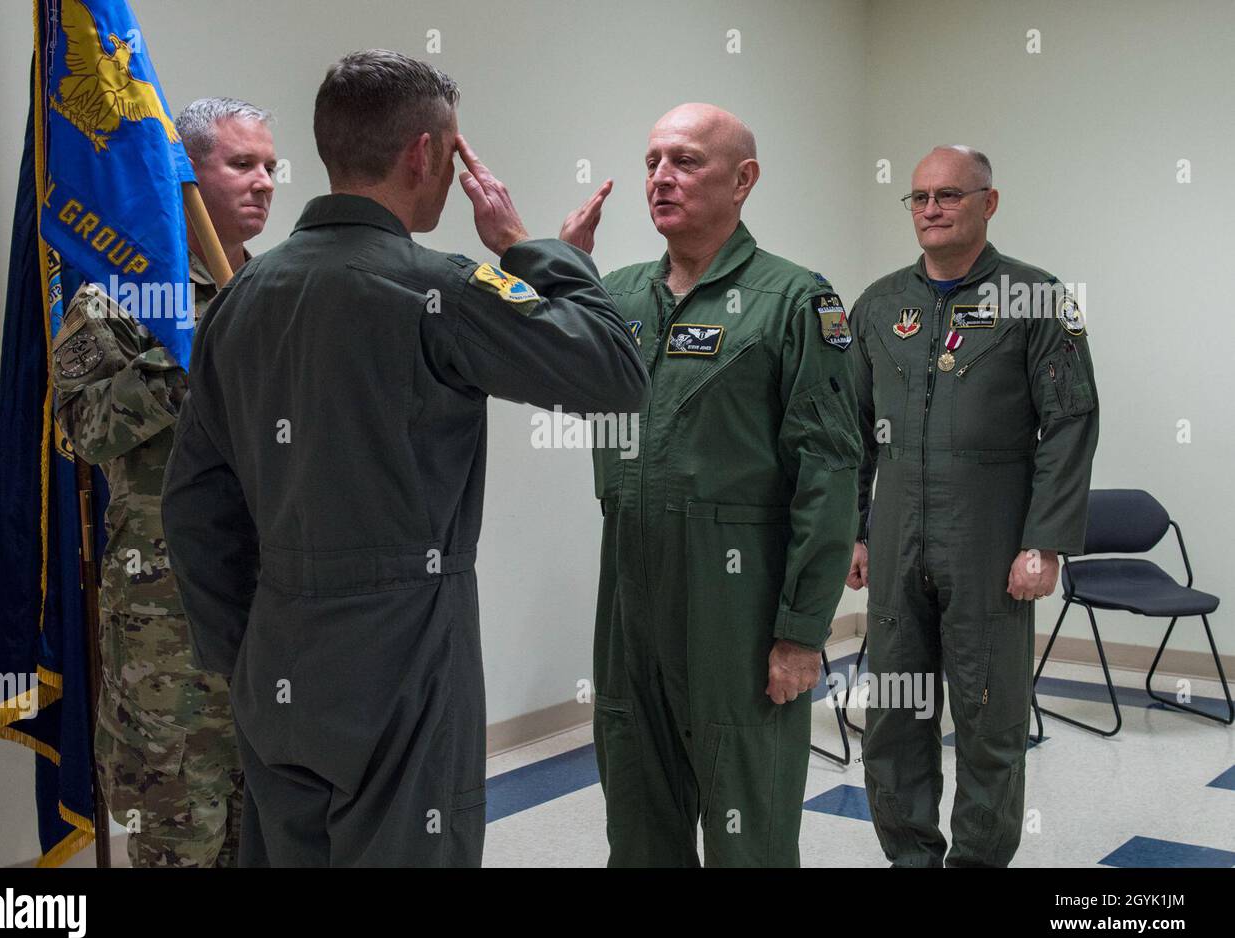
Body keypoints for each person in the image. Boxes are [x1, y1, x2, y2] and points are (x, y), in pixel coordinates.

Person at [160, 49, 647, 867]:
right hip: (404, 649)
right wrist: (531, 249)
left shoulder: (242, 296)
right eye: (452, 154)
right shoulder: (440, 288)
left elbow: (194, 507)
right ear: (424, 153)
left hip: (276, 648)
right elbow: (614, 372)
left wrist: (243, 655)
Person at [589, 103, 861, 867]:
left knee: (749, 831)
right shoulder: (617, 297)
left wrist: (803, 631)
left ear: (743, 180)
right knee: (638, 824)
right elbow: (537, 364)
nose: (660, 178)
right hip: (630, 599)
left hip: (736, 609)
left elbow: (830, 473)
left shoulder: (795, 301)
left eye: (684, 160)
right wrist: (553, 268)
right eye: (650, 162)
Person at [846, 145, 1099, 867]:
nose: (931, 210)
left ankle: (980, 862)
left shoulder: (1037, 299)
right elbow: (848, 428)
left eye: (949, 196)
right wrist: (854, 531)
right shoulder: (879, 304)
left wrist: (1044, 542)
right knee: (895, 713)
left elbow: (1071, 420)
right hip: (896, 531)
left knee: (990, 718)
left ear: (988, 203)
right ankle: (912, 858)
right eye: (920, 198)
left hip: (989, 537)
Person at [50, 97, 277, 866]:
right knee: (184, 836)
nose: (264, 182)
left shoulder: (278, 292)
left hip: (273, 610)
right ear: (183, 175)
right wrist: (188, 350)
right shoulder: (120, 294)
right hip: (166, 625)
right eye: (242, 163)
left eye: (272, 167)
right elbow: (84, 432)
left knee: (270, 837)